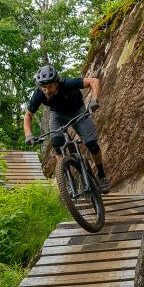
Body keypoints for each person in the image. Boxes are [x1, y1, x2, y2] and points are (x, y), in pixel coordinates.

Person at [24, 65, 109, 193]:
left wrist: (95, 100)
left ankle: (102, 175)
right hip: (57, 115)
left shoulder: (67, 83)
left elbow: (94, 81)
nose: (47, 91)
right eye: (44, 87)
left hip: (77, 111)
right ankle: (68, 179)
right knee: (57, 142)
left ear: (57, 83)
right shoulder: (38, 94)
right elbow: (28, 115)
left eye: (50, 86)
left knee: (92, 143)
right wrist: (28, 135)